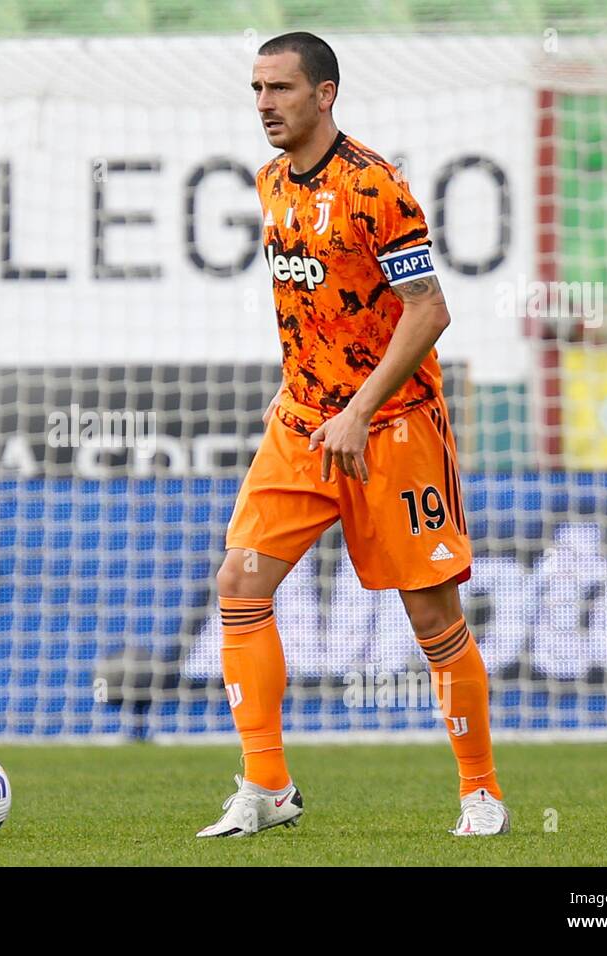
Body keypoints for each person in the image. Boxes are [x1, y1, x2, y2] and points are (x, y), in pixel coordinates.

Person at [197, 32, 509, 838]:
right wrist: (298, 389)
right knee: (241, 583)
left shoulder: (377, 188)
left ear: (325, 94)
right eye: (257, 88)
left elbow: (429, 311)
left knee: (432, 616)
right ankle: (267, 786)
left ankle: (481, 792)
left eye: (282, 89)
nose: (265, 103)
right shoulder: (270, 183)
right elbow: (317, 305)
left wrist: (360, 409)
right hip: (305, 424)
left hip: (391, 427)